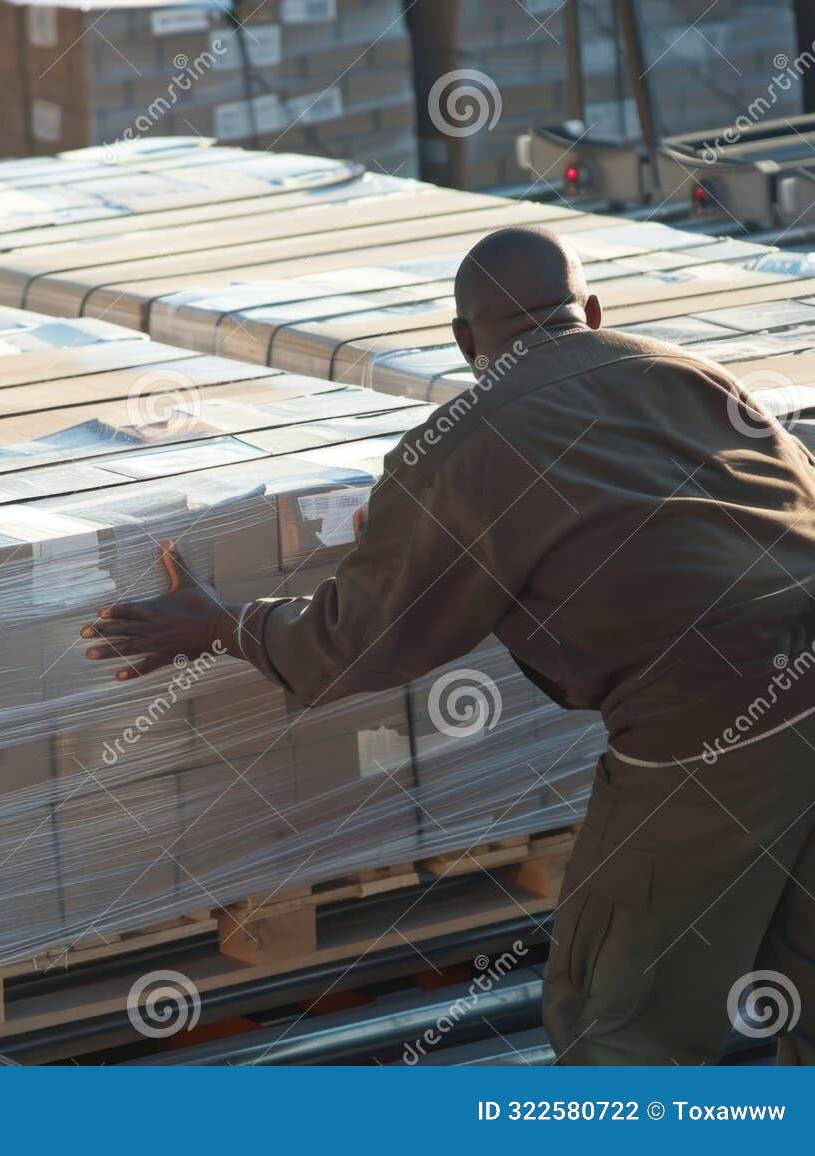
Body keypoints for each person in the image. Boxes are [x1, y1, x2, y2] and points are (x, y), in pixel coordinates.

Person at [81, 226, 815, 1065]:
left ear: (465, 341)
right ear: (594, 311)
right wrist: (420, 529)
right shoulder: (683, 370)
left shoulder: (461, 445)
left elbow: (355, 641)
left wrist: (224, 625)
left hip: (716, 725)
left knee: (620, 1003)